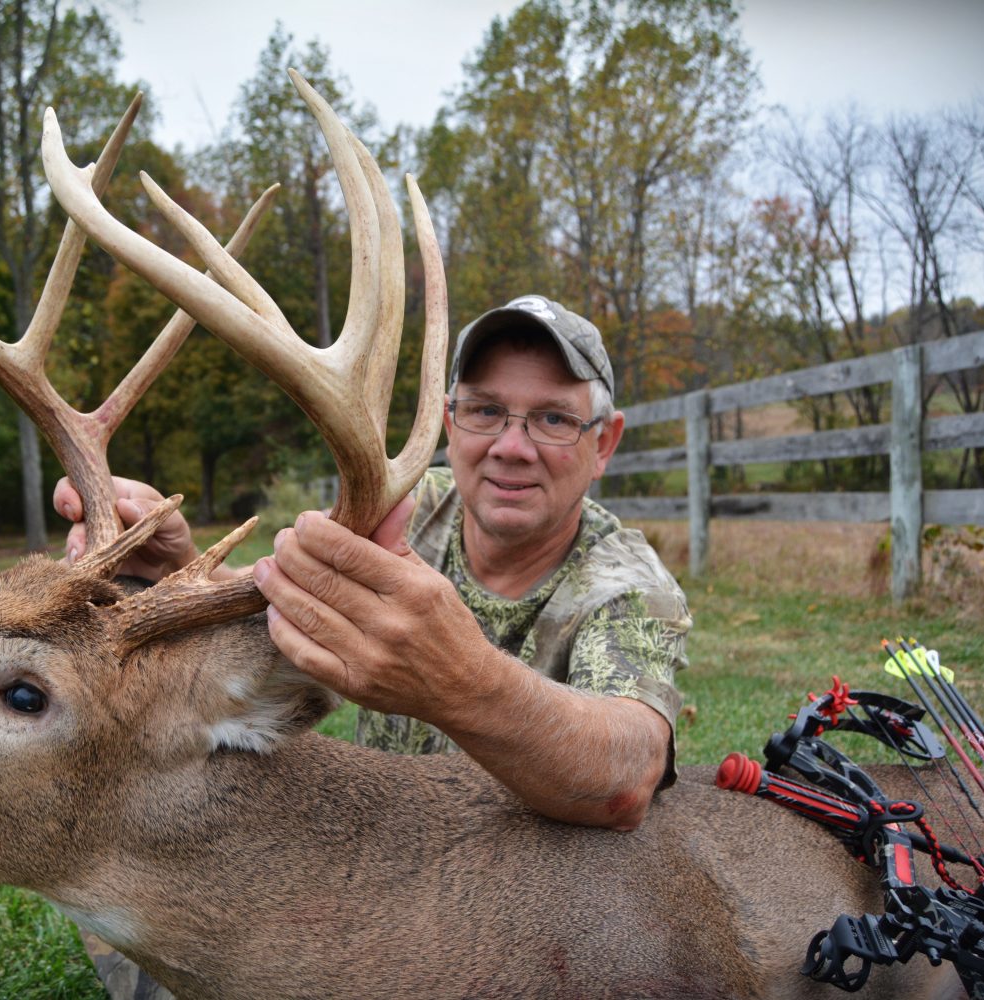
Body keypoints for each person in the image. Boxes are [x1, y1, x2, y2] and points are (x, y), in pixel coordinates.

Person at [56, 293, 691, 998]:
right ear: (450, 422)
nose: (512, 446)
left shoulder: (626, 585)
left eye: (553, 419)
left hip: (527, 908)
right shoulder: (403, 507)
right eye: (485, 410)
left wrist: (461, 681)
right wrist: (179, 567)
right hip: (368, 852)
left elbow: (629, 772)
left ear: (604, 443)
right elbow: (295, 611)